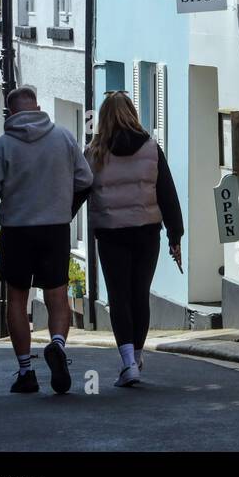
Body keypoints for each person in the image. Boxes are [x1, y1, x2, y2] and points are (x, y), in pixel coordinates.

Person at [0, 85, 93, 395]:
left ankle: (26, 371)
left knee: (17, 298)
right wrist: (62, 200)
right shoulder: (64, 138)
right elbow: (86, 179)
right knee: (57, 295)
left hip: (17, 230)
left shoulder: (2, 146)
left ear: (11, 113)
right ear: (39, 107)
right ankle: (57, 344)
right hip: (55, 227)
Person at [84, 91, 183, 387]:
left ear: (104, 118)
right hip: (146, 232)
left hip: (111, 233)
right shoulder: (151, 148)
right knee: (140, 294)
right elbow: (167, 193)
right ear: (131, 113)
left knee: (118, 296)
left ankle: (128, 362)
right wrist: (174, 235)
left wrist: (58, 220)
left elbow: (78, 191)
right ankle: (137, 357)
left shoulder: (95, 152)